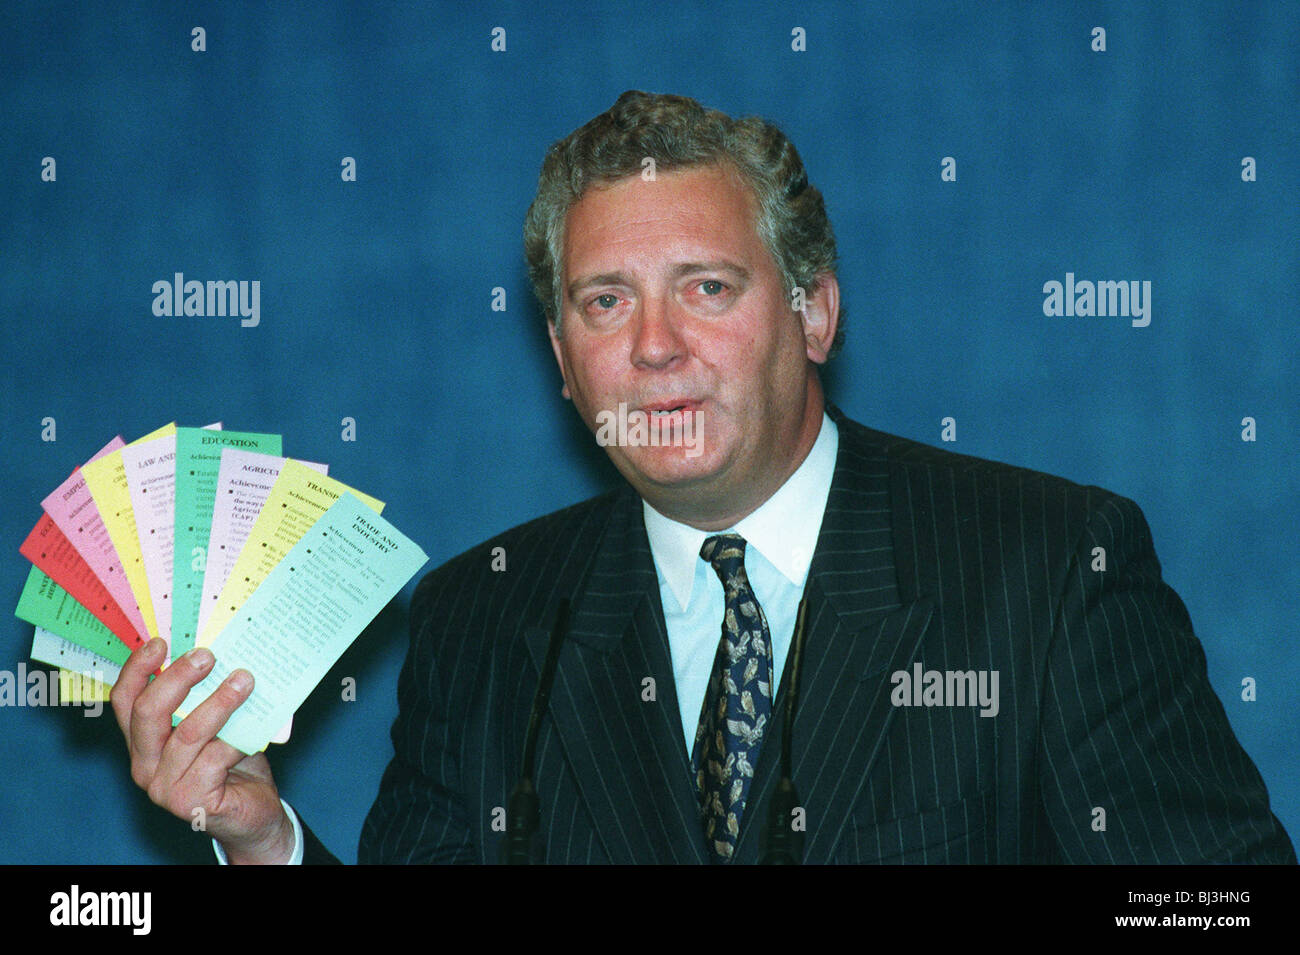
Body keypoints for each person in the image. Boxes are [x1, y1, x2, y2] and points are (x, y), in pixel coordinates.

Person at [110, 90, 1295, 864]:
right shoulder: (486, 615)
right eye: (605, 302)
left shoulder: (1047, 567)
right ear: (566, 366)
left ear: (815, 311)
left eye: (707, 287)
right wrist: (262, 841)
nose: (656, 345)